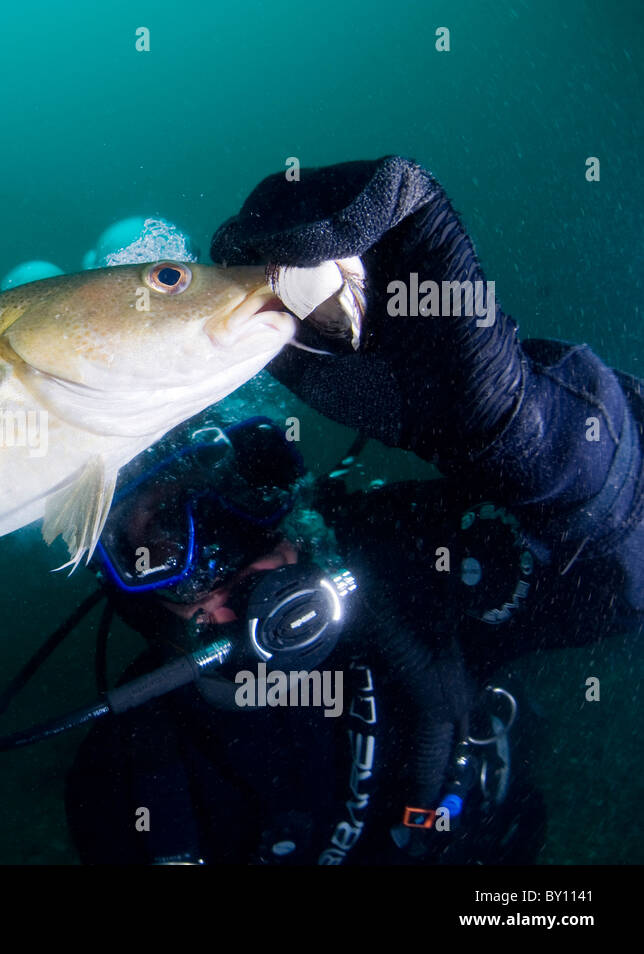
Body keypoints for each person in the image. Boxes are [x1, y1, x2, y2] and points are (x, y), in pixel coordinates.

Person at [56, 156, 644, 864]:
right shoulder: (131, 775)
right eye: (161, 537)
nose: (237, 554)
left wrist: (529, 438)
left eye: (253, 484)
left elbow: (616, 594)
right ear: (117, 581)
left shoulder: (412, 562)